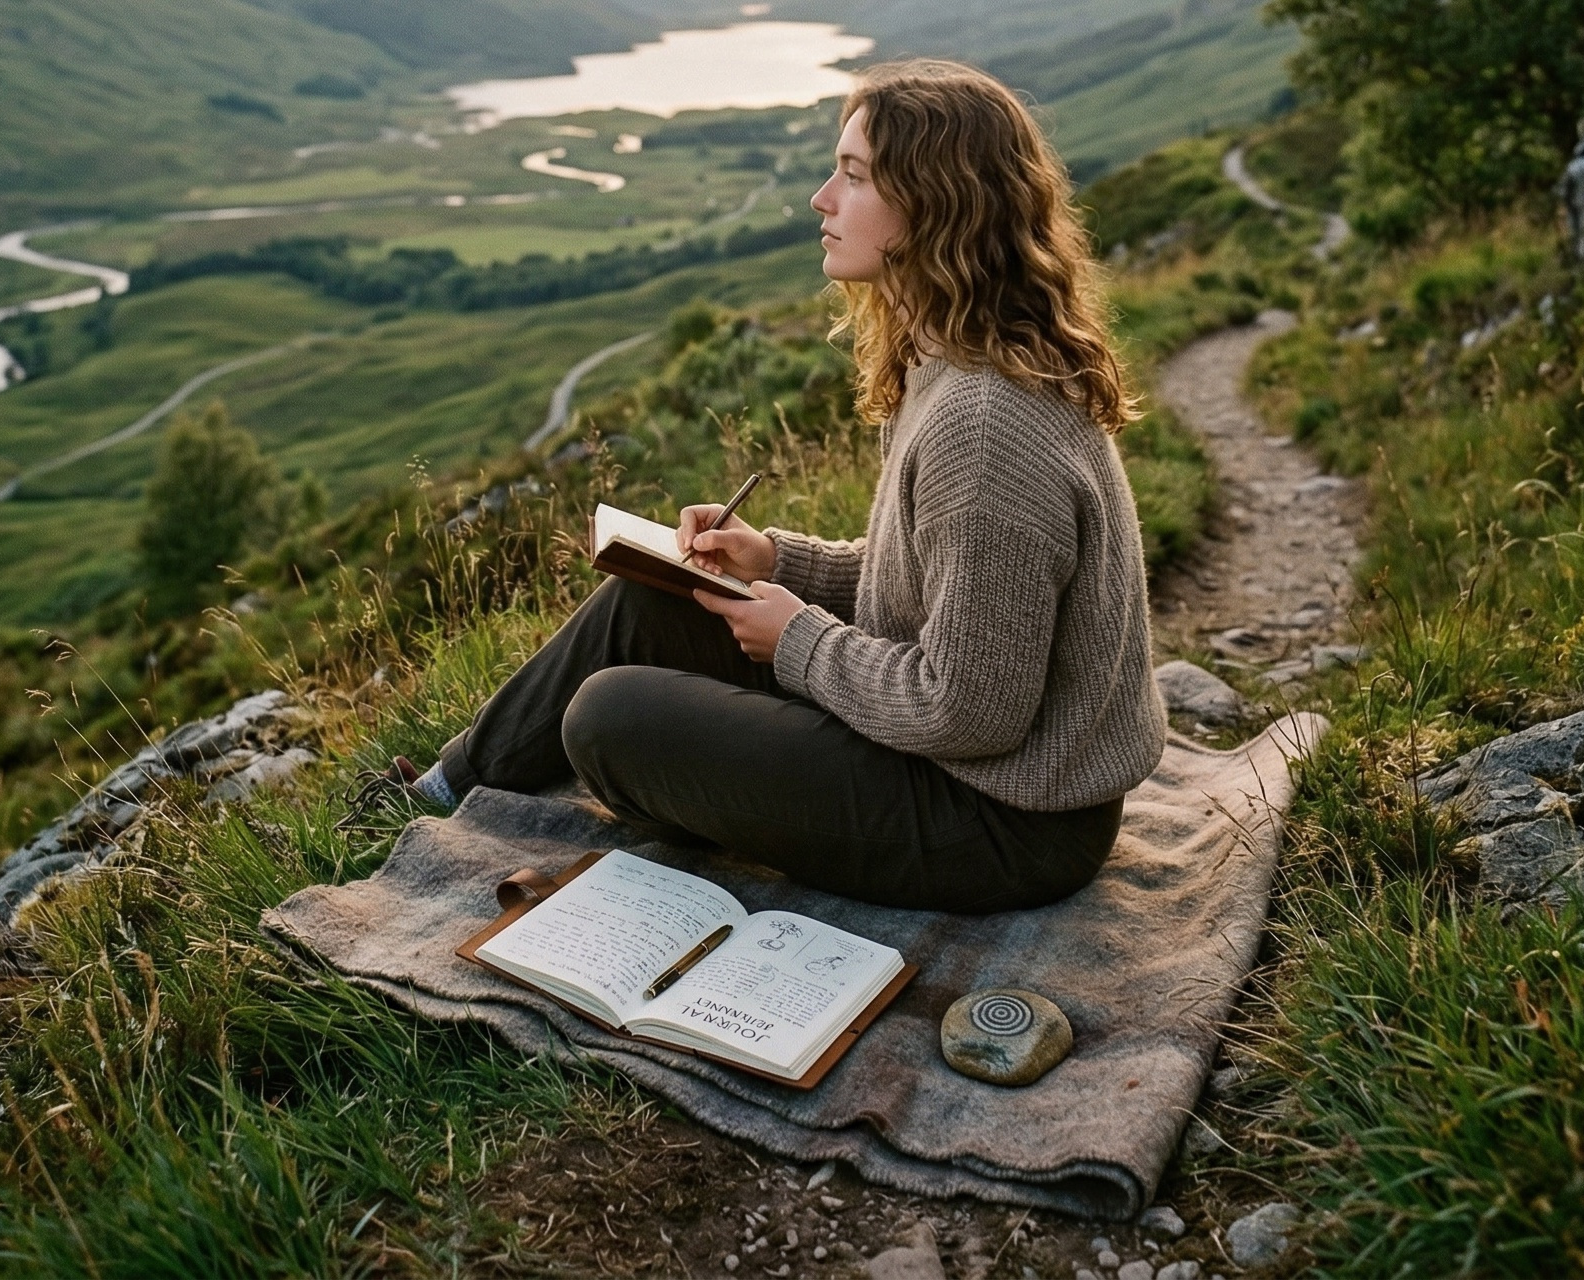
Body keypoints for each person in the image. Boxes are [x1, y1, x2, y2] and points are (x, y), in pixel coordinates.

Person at [402, 60, 1168, 913]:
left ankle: (606, 785)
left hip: (1002, 823)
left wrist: (796, 639)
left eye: (853, 175)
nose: (821, 199)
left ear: (934, 203)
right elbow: (927, 584)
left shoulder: (984, 424)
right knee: (652, 600)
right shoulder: (952, 360)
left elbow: (971, 710)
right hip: (963, 770)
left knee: (613, 721)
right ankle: (441, 789)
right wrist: (773, 559)